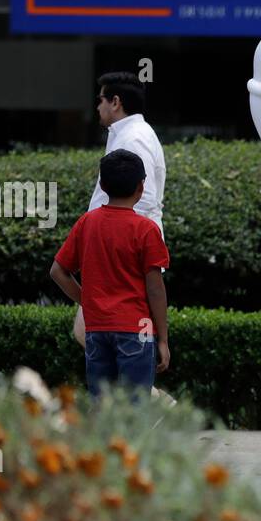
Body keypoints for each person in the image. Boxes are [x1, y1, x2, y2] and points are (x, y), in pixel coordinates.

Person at [50, 149, 170, 398]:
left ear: (103, 185)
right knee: (135, 407)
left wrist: (86, 300)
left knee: (102, 405)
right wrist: (163, 340)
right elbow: (155, 289)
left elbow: (58, 271)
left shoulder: (87, 223)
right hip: (138, 327)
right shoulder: (146, 230)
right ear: (141, 187)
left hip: (97, 328)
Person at [73, 72, 166, 349]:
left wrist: (115, 253)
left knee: (96, 334)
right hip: (119, 253)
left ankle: (150, 395)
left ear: (115, 102)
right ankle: (136, 393)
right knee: (96, 336)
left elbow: (144, 200)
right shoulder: (128, 135)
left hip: (122, 256)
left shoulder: (133, 139)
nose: (97, 106)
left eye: (100, 99)